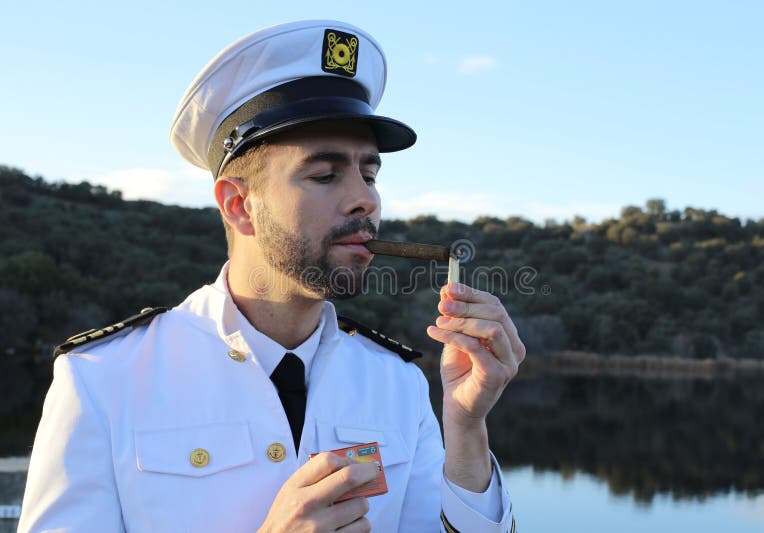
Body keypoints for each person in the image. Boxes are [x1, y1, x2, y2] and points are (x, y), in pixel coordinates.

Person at [18, 20, 525, 532]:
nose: (366, 199)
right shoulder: (102, 380)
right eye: (325, 175)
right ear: (239, 205)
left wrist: (467, 428)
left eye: (369, 175)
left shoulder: (397, 383)